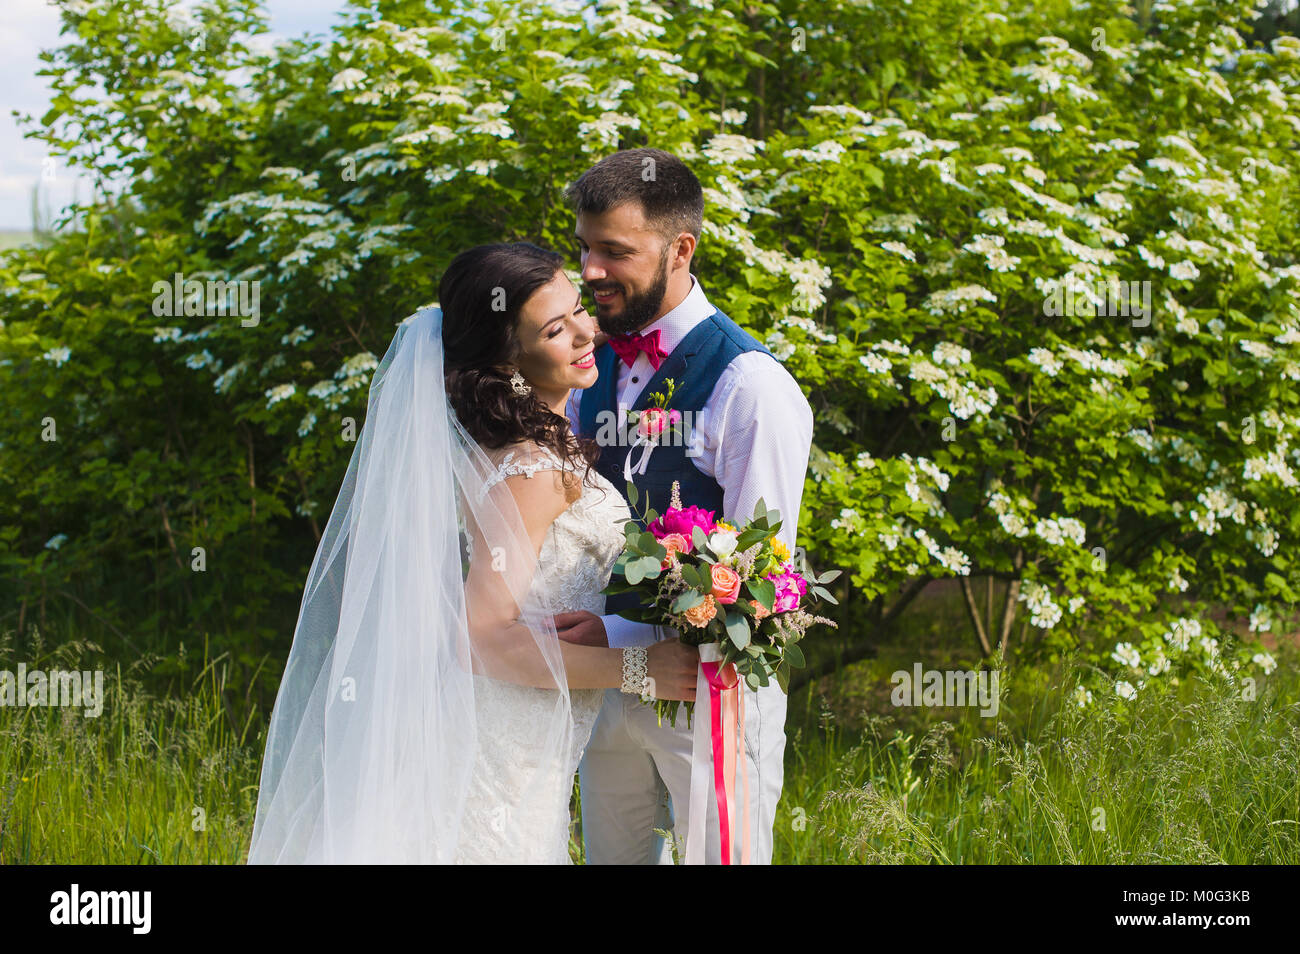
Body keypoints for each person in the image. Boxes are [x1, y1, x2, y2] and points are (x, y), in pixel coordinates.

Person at [246, 242, 699, 864]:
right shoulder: (530, 468)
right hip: (499, 745)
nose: (582, 333)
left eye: (576, 311)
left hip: (530, 739)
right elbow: (478, 638)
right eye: (553, 329)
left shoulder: (526, 445)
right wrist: (642, 668)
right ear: (506, 356)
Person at [558, 148, 815, 865]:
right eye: (584, 247)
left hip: (710, 692)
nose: (590, 271)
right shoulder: (587, 365)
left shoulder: (750, 386)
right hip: (604, 684)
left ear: (681, 248)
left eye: (614, 251)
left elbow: (763, 578)